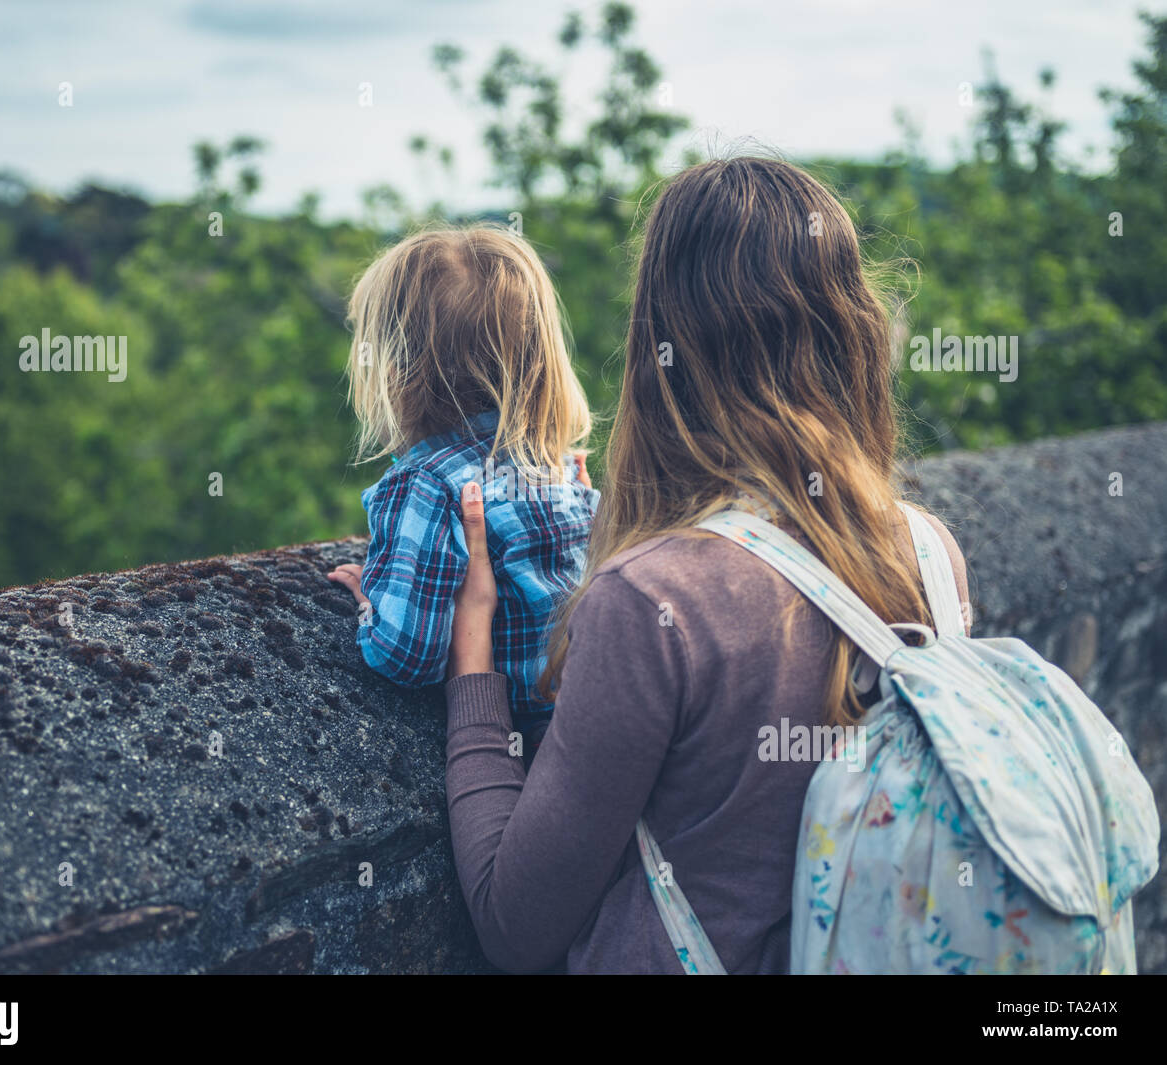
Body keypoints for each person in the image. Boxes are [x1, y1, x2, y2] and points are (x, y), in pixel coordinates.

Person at [441, 157, 971, 974]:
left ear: (664, 346)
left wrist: (469, 665)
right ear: (851, 331)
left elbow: (514, 925)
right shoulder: (931, 553)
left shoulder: (653, 600)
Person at [327, 225, 599, 752]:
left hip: (527, 739)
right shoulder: (557, 464)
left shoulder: (426, 482)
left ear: (393, 367)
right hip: (590, 712)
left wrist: (369, 602)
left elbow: (408, 655)